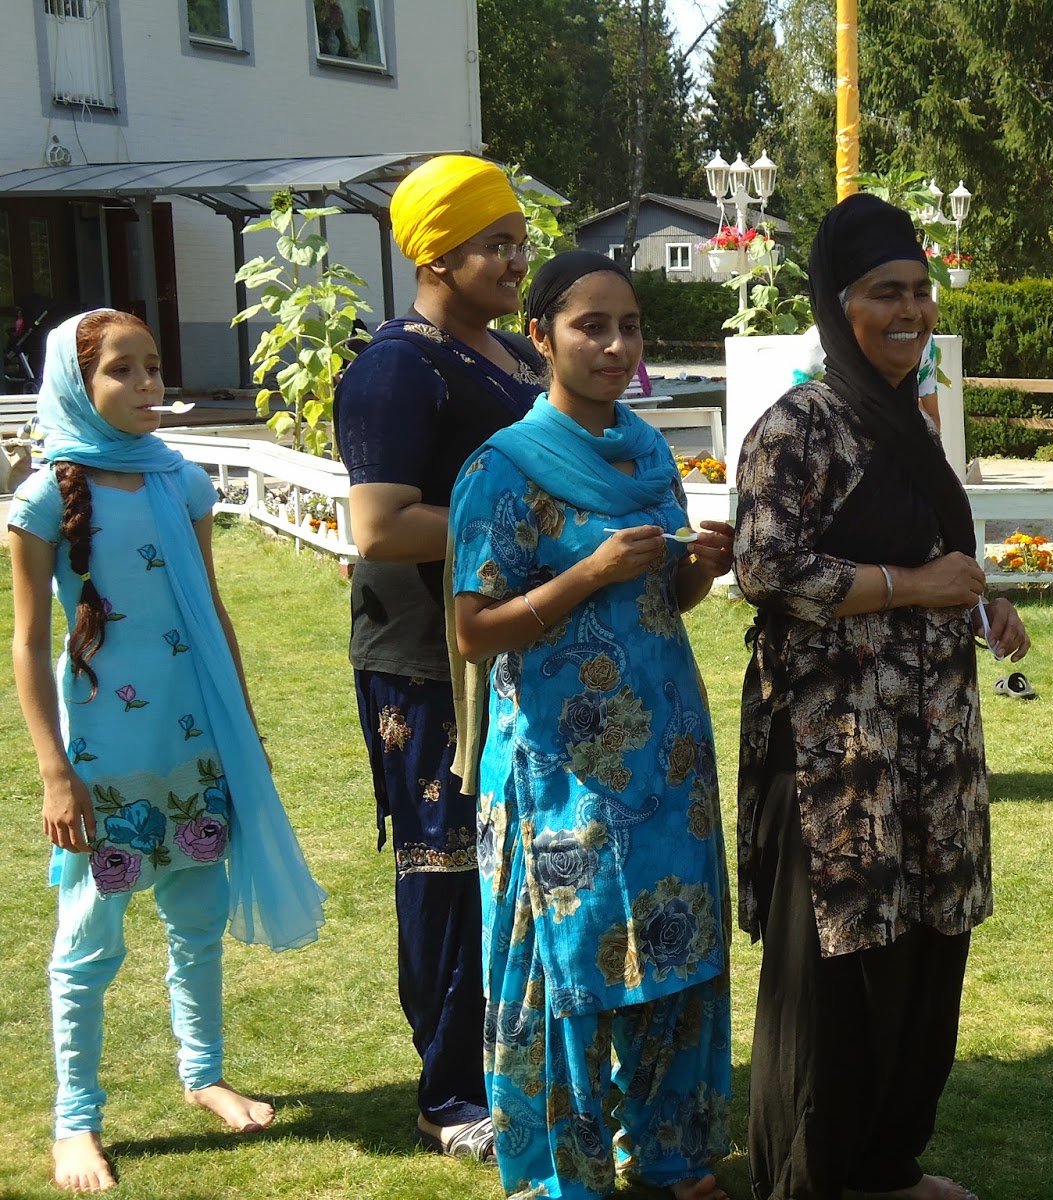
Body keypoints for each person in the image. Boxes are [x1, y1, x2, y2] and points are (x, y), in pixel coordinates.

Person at [733, 193, 1029, 1200]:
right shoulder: (801, 425)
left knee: (925, 957)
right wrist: (917, 588)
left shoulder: (907, 417)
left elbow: (931, 547)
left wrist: (982, 605)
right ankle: (811, 1182)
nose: (909, 312)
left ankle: (885, 1168)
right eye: (884, 295)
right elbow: (766, 569)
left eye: (919, 292)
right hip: (837, 755)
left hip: (931, 745)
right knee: (836, 983)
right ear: (836, 303)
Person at [8, 310, 325, 1194]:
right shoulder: (43, 499)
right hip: (106, 758)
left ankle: (204, 1073)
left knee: (196, 915)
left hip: (195, 743)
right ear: (79, 386)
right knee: (89, 938)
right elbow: (28, 645)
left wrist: (244, 724)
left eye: (154, 368)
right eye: (124, 371)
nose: (149, 385)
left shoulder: (180, 484)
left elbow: (212, 613)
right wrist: (54, 772)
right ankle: (77, 1120)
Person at [449, 251, 734, 1200]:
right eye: (591, 327)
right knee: (574, 959)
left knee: (677, 944)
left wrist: (702, 565)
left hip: (667, 745)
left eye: (631, 327)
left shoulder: (647, 453)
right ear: (541, 338)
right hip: (558, 762)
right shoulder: (503, 470)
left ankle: (670, 1152)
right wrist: (588, 574)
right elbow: (473, 632)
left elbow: (669, 600)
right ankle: (571, 1171)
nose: (617, 347)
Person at [333, 154, 541, 1163]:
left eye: (517, 242)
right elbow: (376, 527)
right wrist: (518, 529)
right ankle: (449, 1093)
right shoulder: (397, 367)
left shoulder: (507, 359)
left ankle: (512, 1061)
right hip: (425, 658)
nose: (514, 259)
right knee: (446, 863)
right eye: (494, 244)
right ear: (435, 252)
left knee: (515, 856)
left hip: (510, 645)